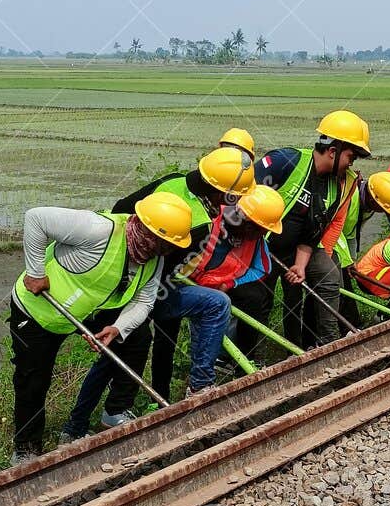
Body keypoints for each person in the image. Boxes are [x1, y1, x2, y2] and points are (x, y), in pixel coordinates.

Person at [70, 146, 254, 425]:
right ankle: (199, 387)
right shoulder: (200, 223)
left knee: (121, 348)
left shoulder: (173, 181)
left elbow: (121, 208)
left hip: (119, 278)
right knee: (213, 305)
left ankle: (80, 423)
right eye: (235, 195)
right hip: (144, 289)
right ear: (223, 193)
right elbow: (164, 272)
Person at [9, 193, 192, 460]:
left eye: (167, 247)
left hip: (87, 309)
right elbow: (35, 218)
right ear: (142, 226)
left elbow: (144, 301)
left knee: (137, 337)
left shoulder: (153, 260)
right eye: (159, 243)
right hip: (40, 309)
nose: (160, 251)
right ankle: (26, 449)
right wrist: (36, 272)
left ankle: (115, 411)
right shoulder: (98, 230)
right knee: (33, 380)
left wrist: (118, 328)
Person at [255, 110, 372, 348]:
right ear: (332, 151)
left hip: (298, 249)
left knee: (329, 274)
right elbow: (245, 196)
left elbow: (313, 233)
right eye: (351, 156)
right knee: (258, 299)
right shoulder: (286, 161)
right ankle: (247, 357)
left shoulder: (335, 185)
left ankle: (327, 343)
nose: (351, 163)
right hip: (261, 247)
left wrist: (300, 264)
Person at [187, 183, 286, 361]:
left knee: (255, 296)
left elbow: (262, 268)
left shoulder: (255, 238)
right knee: (214, 304)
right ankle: (204, 363)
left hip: (224, 286)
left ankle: (244, 360)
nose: (262, 234)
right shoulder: (209, 224)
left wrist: (229, 284)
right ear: (247, 222)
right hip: (190, 285)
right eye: (260, 229)